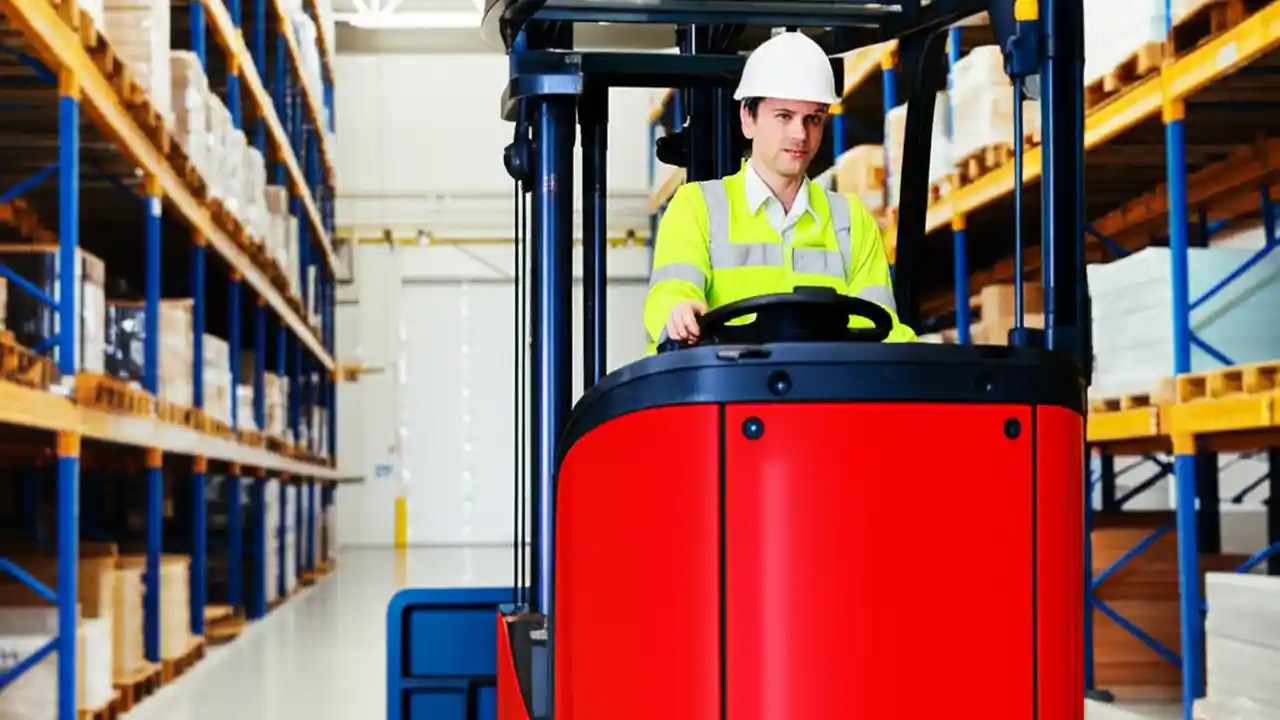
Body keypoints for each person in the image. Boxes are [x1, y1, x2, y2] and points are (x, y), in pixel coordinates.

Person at [644, 31, 917, 351]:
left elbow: (881, 327)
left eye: (813, 119)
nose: (800, 134)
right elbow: (672, 292)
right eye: (784, 116)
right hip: (732, 390)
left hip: (824, 394)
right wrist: (681, 311)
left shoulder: (851, 220)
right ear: (748, 118)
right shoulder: (698, 208)